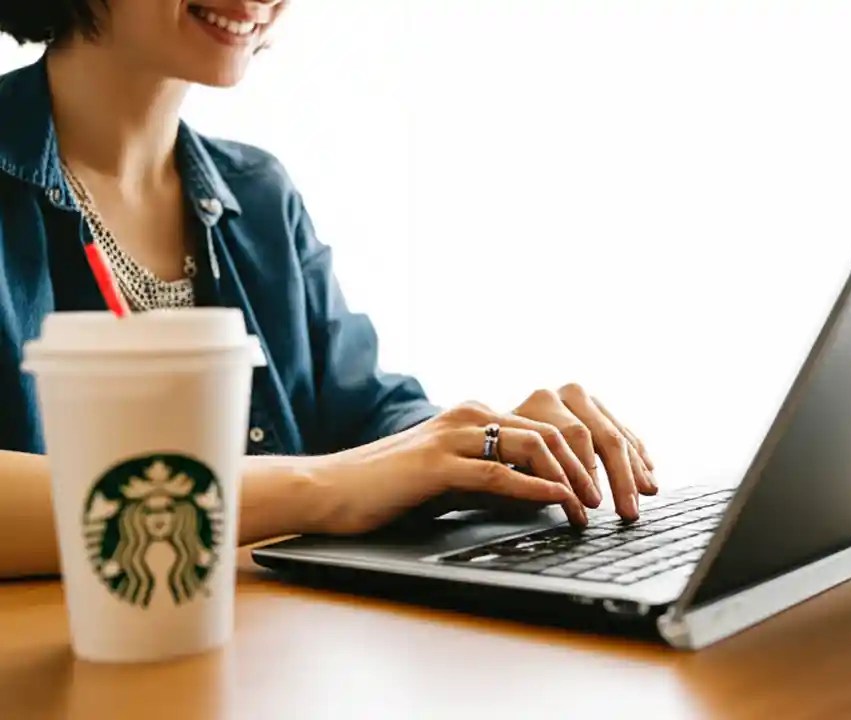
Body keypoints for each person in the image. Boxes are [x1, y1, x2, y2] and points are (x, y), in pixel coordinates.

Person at [0, 1, 657, 579]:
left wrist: (491, 448)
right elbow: (350, 472)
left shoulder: (260, 195)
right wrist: (324, 487)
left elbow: (364, 419)